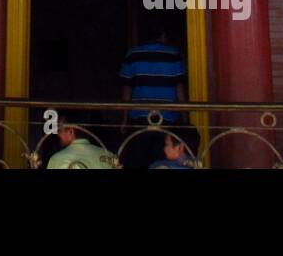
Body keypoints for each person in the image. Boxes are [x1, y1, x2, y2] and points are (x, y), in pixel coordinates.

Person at [119, 26, 187, 169]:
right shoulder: (174, 54)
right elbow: (180, 89)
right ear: (162, 35)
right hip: (167, 120)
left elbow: (126, 90)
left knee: (138, 162)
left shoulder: (132, 55)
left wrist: (124, 119)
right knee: (162, 163)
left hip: (139, 120)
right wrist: (185, 118)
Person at [46, 122, 112, 169]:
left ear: (71, 132)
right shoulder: (108, 156)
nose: (58, 134)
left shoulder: (56, 159)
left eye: (60, 131)